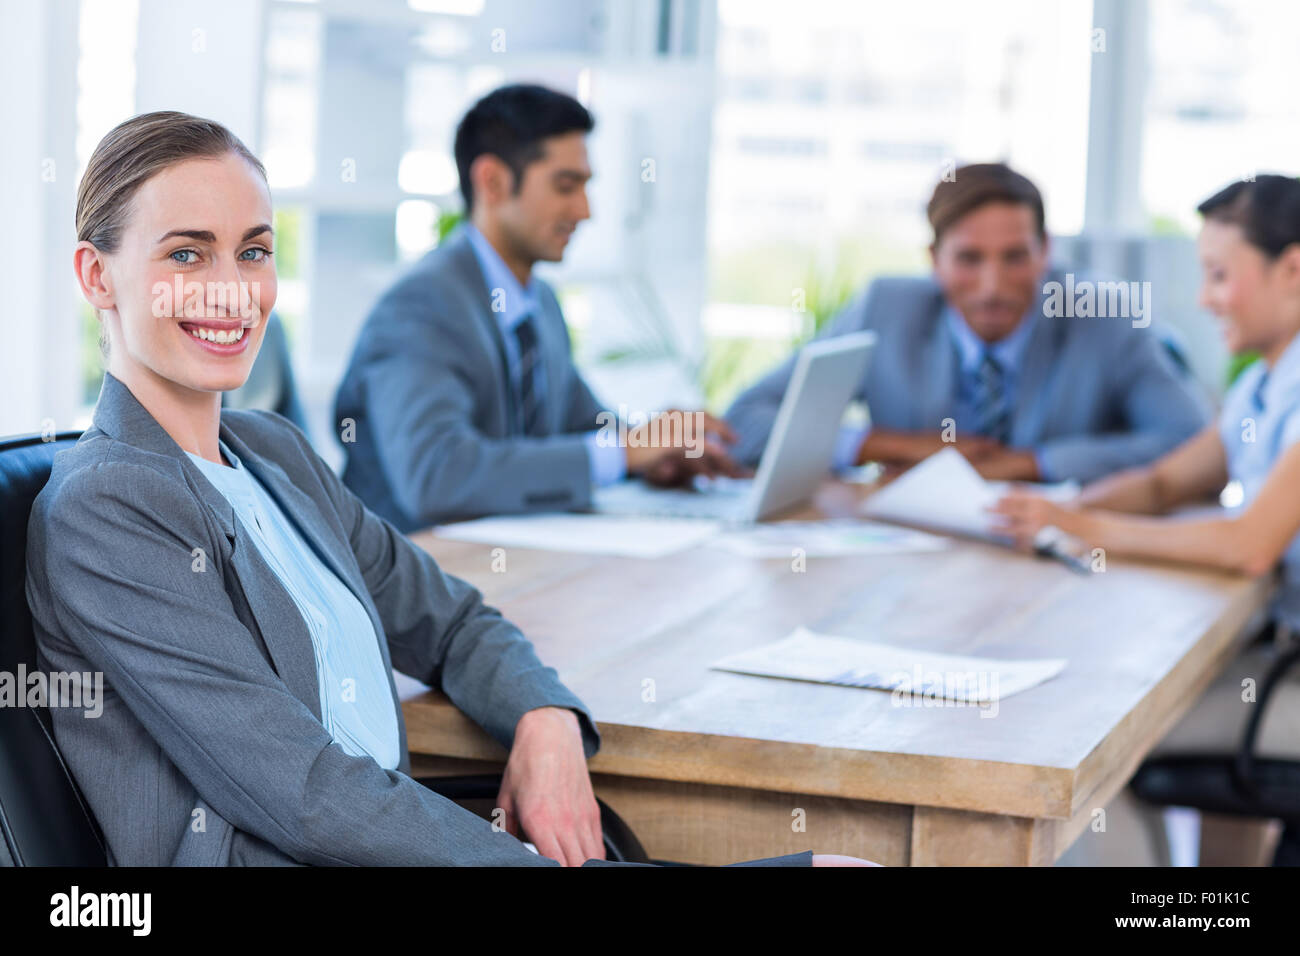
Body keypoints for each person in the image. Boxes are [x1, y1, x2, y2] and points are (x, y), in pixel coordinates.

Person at [26, 110, 858, 867]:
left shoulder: (272, 453)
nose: (232, 288)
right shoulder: (109, 506)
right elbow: (306, 797)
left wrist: (543, 715)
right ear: (97, 277)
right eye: (185, 253)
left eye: (253, 250)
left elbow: (453, 620)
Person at [993, 174, 1300, 866]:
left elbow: (1249, 546)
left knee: (1097, 740)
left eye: (1220, 275)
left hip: (1293, 685)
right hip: (1280, 663)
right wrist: (1059, 510)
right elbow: (1165, 482)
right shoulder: (1263, 383)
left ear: (1293, 267)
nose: (1203, 299)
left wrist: (1083, 529)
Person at [334, 84, 739, 532]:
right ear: (492, 181)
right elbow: (438, 474)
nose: (585, 210)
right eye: (566, 186)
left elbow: (587, 429)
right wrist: (625, 451)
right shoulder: (422, 306)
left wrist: (656, 454)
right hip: (406, 582)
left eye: (585, 187)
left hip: (512, 569)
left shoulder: (538, 304)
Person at [725, 163, 1210, 483]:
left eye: (1015, 257)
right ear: (934, 259)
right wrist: (894, 446)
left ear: (1046, 251)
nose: (992, 285)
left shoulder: (1104, 314)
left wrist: (1029, 464)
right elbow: (744, 423)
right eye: (969, 258)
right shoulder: (886, 308)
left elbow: (1194, 445)